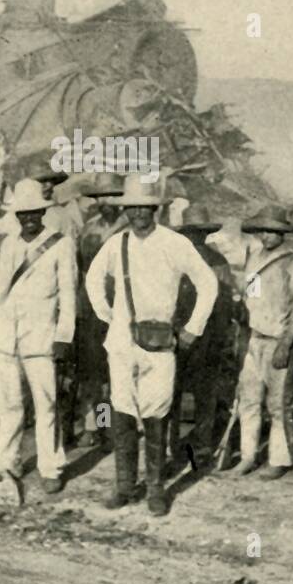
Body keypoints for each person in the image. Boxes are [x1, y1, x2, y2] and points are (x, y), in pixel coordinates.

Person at [86, 174, 217, 516]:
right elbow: (93, 279)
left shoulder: (175, 243)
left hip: (160, 343)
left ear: (156, 208)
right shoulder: (117, 244)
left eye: (145, 207)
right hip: (121, 342)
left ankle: (156, 489)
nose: (138, 213)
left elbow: (208, 283)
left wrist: (192, 329)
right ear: (125, 209)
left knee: (157, 412)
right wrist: (107, 315)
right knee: (122, 411)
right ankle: (124, 486)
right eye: (132, 207)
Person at [0, 178, 78, 495]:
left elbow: (68, 295)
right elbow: (0, 292)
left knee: (46, 405)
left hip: (41, 337)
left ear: (43, 212)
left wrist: (64, 336)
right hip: (6, 337)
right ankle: (6, 462)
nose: (28, 218)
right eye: (22, 213)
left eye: (34, 212)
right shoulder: (9, 245)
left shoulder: (60, 244)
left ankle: (51, 466)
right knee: (8, 405)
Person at [232, 204, 293, 479]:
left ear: (283, 233)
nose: (267, 236)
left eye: (273, 231)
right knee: (249, 399)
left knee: (277, 404)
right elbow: (251, 298)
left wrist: (287, 343)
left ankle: (279, 458)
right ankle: (247, 456)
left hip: (277, 340)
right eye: (263, 231)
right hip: (254, 339)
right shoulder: (254, 259)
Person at [168, 204, 234, 470]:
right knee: (174, 392)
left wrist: (221, 333)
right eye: (191, 233)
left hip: (207, 335)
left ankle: (200, 446)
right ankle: (174, 446)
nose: (195, 238)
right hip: (178, 333)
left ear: (206, 234)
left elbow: (226, 301)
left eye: (199, 232)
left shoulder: (218, 262)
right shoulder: (173, 259)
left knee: (203, 393)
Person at [73, 171, 126, 449]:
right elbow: (79, 267)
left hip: (120, 308)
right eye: (103, 197)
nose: (108, 203)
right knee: (93, 373)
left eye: (114, 197)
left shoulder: (130, 229)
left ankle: (113, 428)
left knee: (114, 372)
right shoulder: (89, 228)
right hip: (90, 308)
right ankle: (95, 426)